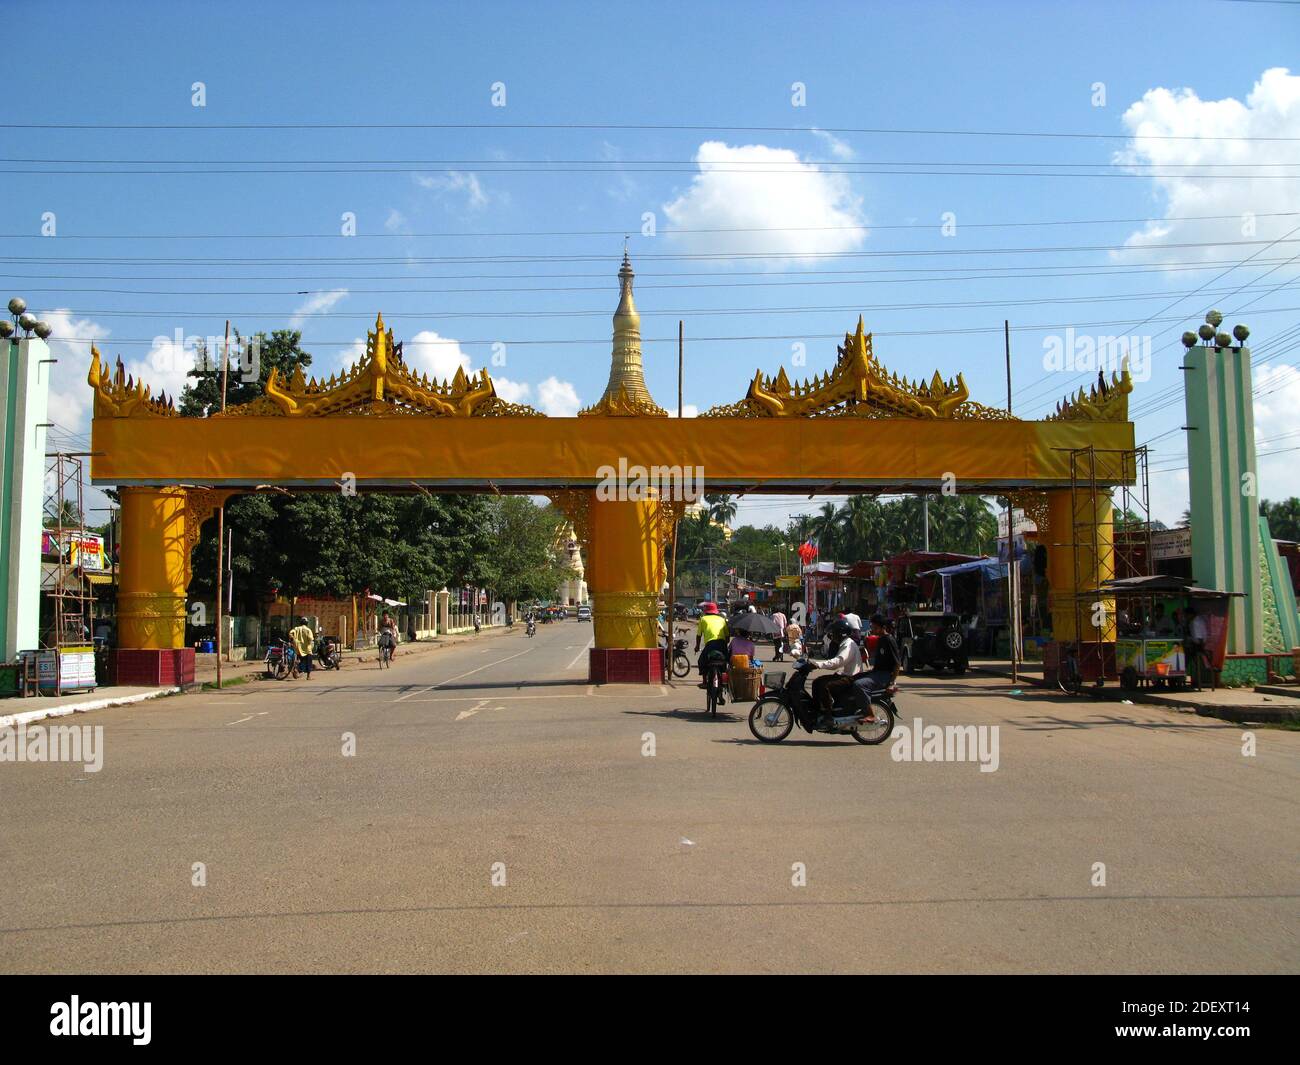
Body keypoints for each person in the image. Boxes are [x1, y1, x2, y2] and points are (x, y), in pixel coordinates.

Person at [804, 618, 863, 717]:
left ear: (841, 633)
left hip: (851, 677)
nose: (833, 635)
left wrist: (817, 664)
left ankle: (828, 715)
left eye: (835, 633)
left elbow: (837, 662)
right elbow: (829, 656)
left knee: (825, 686)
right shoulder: (842, 643)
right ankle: (818, 709)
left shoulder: (848, 645)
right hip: (844, 675)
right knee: (817, 682)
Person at [851, 615, 903, 721]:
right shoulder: (880, 639)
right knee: (852, 679)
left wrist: (892, 683)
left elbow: (897, 664)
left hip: (884, 676)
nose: (872, 630)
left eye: (875, 628)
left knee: (859, 685)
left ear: (883, 627)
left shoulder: (889, 640)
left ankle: (870, 714)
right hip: (877, 673)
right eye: (872, 627)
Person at [694, 601, 730, 688]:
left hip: (710, 644)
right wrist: (724, 644)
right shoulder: (722, 619)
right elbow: (727, 637)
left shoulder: (703, 619)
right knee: (724, 661)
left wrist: (697, 647)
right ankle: (724, 681)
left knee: (702, 661)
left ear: (706, 611)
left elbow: (699, 635)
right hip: (722, 644)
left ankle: (704, 682)